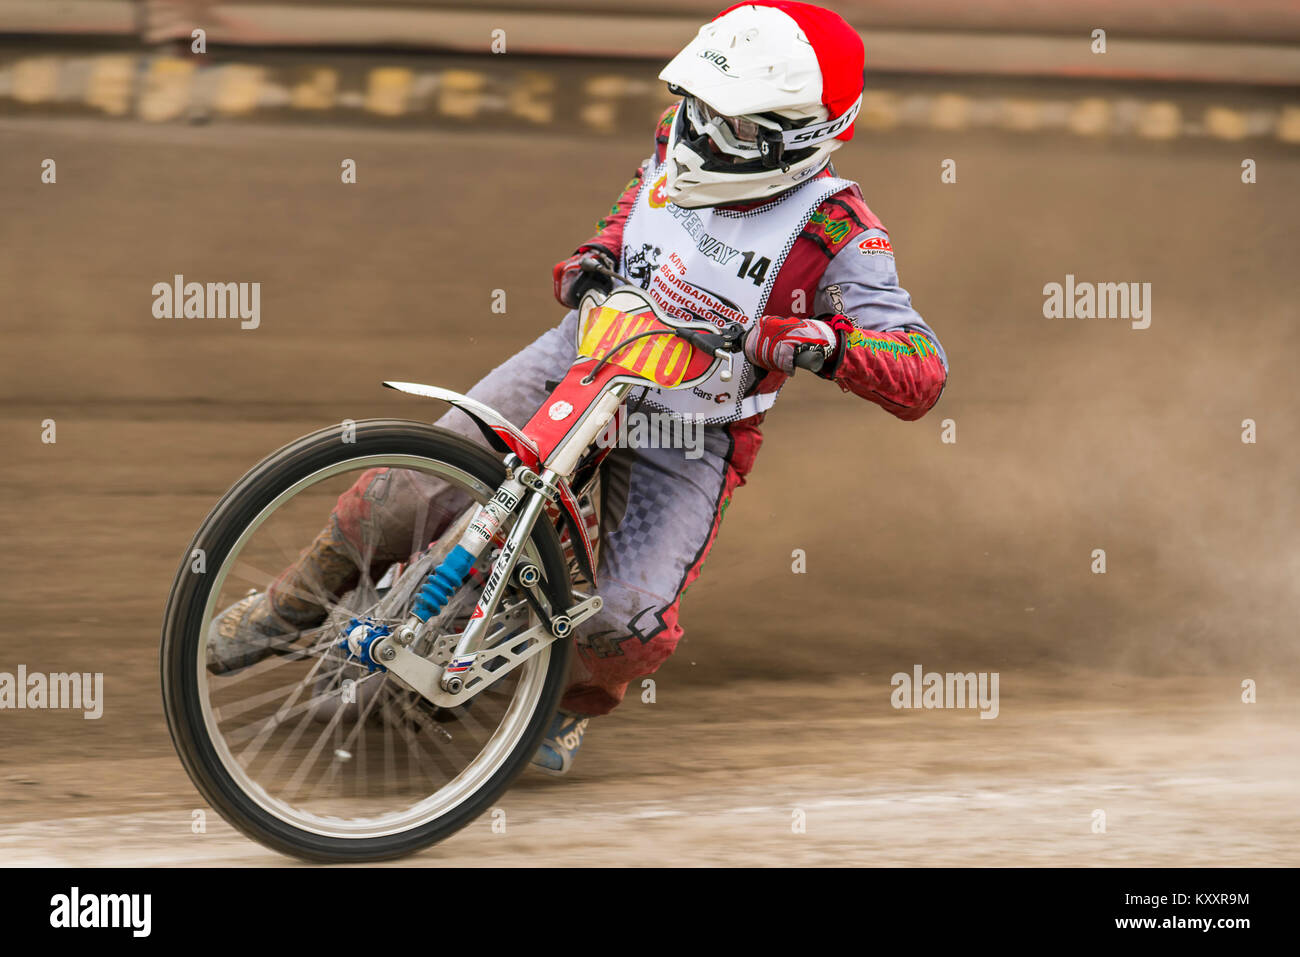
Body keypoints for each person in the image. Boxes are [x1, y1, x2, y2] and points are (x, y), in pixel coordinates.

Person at [208, 1, 948, 776]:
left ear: (800, 139)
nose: (696, 135)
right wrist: (593, 261)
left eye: (729, 126)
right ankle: (290, 603)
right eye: (693, 107)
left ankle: (565, 700)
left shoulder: (841, 233)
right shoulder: (677, 141)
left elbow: (921, 369)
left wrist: (823, 343)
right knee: (410, 489)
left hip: (692, 429)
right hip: (586, 351)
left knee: (629, 623)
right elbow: (635, 213)